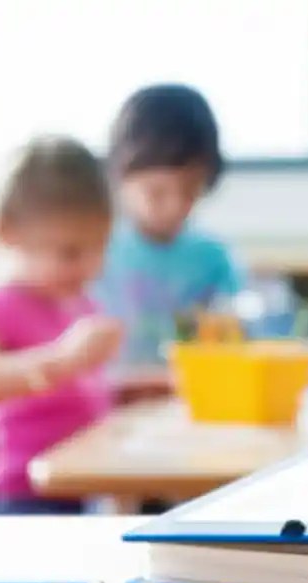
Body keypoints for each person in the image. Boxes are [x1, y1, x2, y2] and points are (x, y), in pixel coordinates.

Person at [0, 137, 121, 514]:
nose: (91, 267)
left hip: (79, 488)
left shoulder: (75, 301)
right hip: (14, 496)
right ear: (6, 232)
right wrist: (61, 360)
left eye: (99, 247)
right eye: (69, 252)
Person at [95, 84, 244, 398]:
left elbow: (233, 341)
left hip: (189, 402)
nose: (176, 205)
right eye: (156, 192)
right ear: (120, 177)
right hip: (108, 407)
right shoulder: (93, 254)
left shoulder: (213, 258)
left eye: (190, 190)